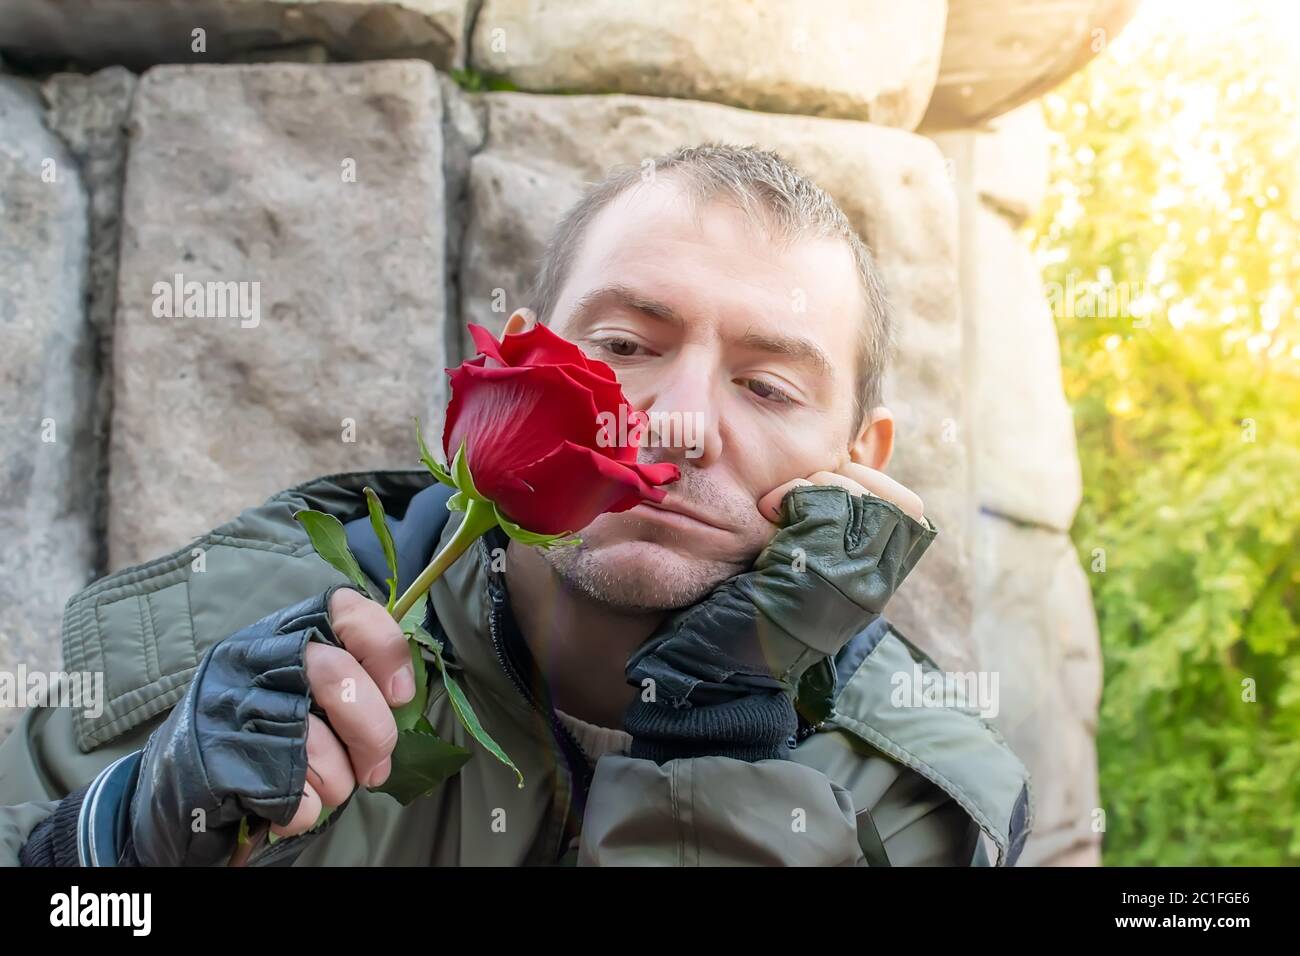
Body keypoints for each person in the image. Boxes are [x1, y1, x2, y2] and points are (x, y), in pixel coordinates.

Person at [1, 144, 1030, 867]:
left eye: (764, 385)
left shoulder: (920, 798)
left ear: (860, 457)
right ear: (517, 363)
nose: (677, 423)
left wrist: (718, 740)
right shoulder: (218, 639)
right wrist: (125, 834)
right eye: (626, 345)